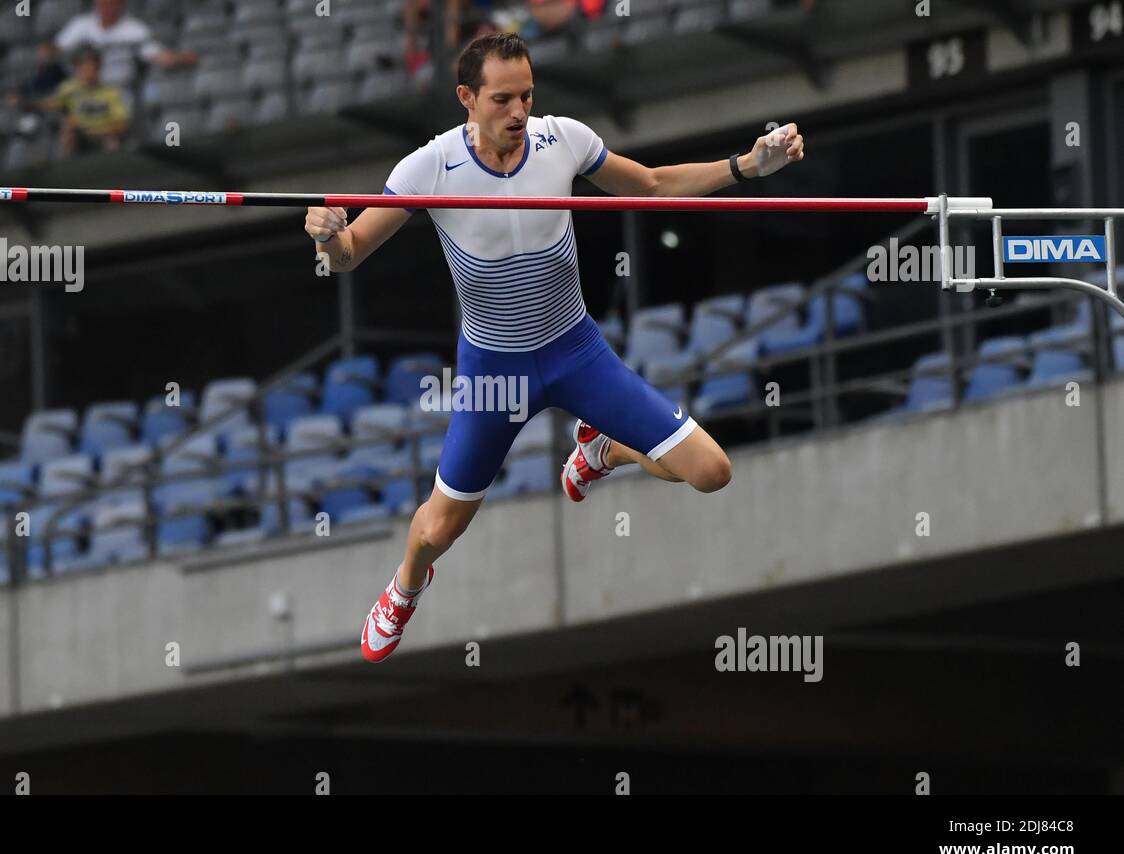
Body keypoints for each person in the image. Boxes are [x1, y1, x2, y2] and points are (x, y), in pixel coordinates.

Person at [303, 32, 804, 663]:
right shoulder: (427, 168)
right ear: (467, 98)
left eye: (527, 96)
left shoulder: (560, 138)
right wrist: (327, 236)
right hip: (495, 372)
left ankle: (605, 450)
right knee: (437, 530)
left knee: (711, 472)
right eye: (502, 99)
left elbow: (649, 186)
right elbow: (349, 256)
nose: (519, 112)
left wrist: (746, 167)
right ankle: (405, 587)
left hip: (575, 352)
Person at [53, 0, 196, 90]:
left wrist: (179, 58)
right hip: (84, 90)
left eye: (112, 3)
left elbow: (157, 55)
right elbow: (56, 49)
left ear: (121, 4)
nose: (107, 6)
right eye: (104, 2)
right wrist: (47, 50)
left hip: (119, 90)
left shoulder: (134, 29)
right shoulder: (81, 24)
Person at [39, 45, 130, 156]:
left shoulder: (111, 92)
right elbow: (50, 104)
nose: (87, 72)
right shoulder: (68, 89)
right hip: (79, 138)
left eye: (91, 67)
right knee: (67, 129)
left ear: (98, 69)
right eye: (82, 67)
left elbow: (122, 125)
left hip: (104, 137)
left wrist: (92, 132)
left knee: (112, 142)